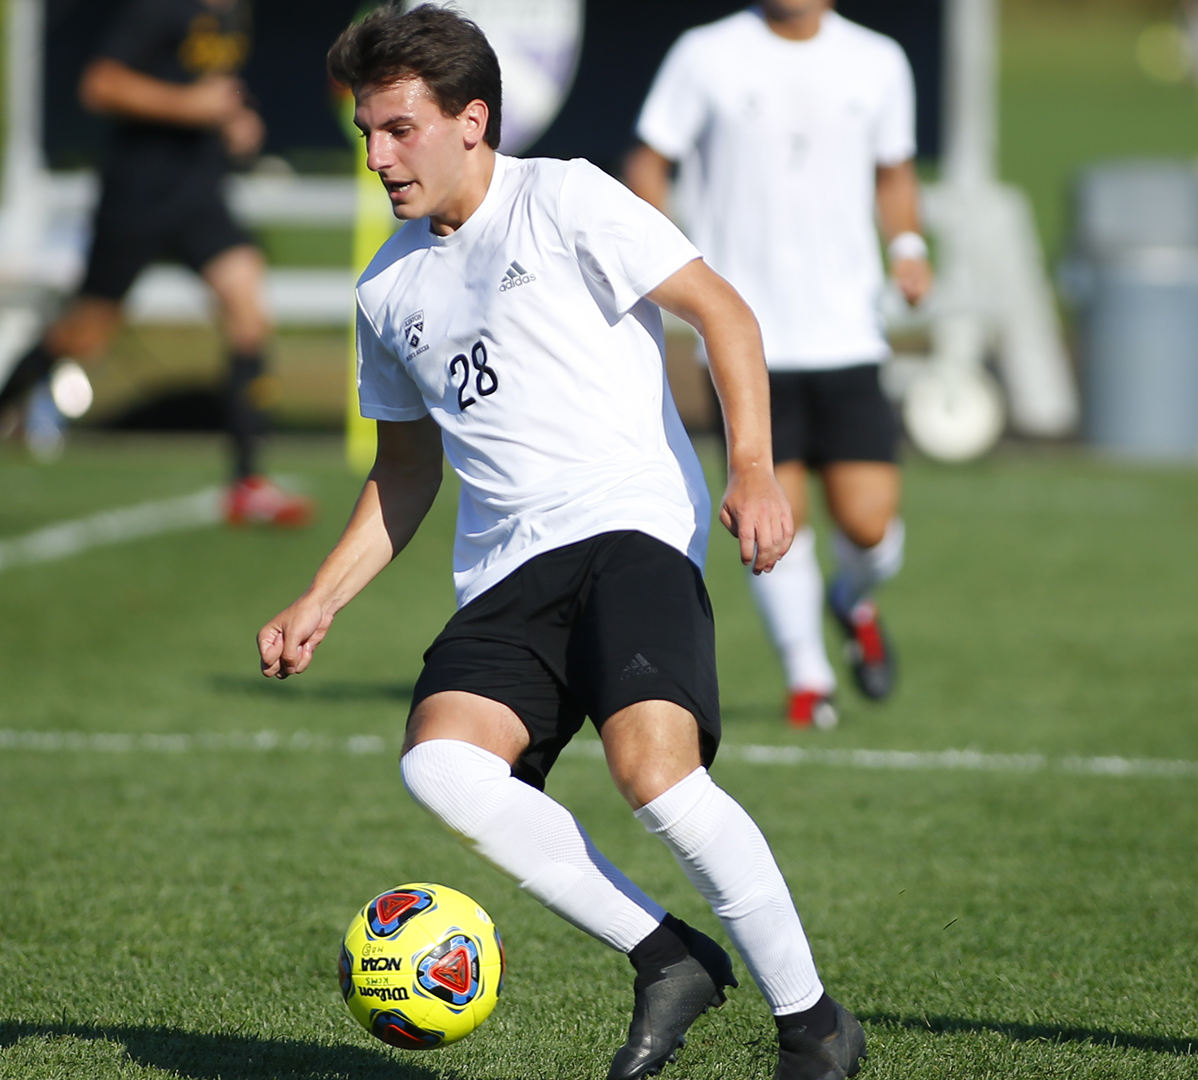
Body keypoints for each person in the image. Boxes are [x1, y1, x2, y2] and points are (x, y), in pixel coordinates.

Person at [259, 8, 866, 1079]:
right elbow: (405, 473)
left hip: (628, 528)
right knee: (443, 768)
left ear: (472, 120)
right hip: (504, 573)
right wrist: (321, 600)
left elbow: (721, 313)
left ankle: (813, 1023)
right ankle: (665, 952)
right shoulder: (386, 288)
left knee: (655, 777)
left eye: (399, 129)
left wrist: (756, 467)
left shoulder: (568, 197)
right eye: (366, 133)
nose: (378, 155)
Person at [627, 0, 932, 730]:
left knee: (868, 521)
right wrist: (657, 259)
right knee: (773, 512)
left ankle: (853, 597)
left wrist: (909, 249)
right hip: (742, 334)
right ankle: (810, 678)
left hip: (848, 330)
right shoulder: (706, 52)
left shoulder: (878, 60)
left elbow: (895, 174)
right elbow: (650, 159)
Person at [0, 0, 310, 525]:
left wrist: (234, 119)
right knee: (84, 335)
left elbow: (210, 85)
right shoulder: (160, 9)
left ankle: (247, 482)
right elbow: (101, 84)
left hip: (199, 194)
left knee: (248, 306)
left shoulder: (234, 14)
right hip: (136, 197)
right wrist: (190, 106)